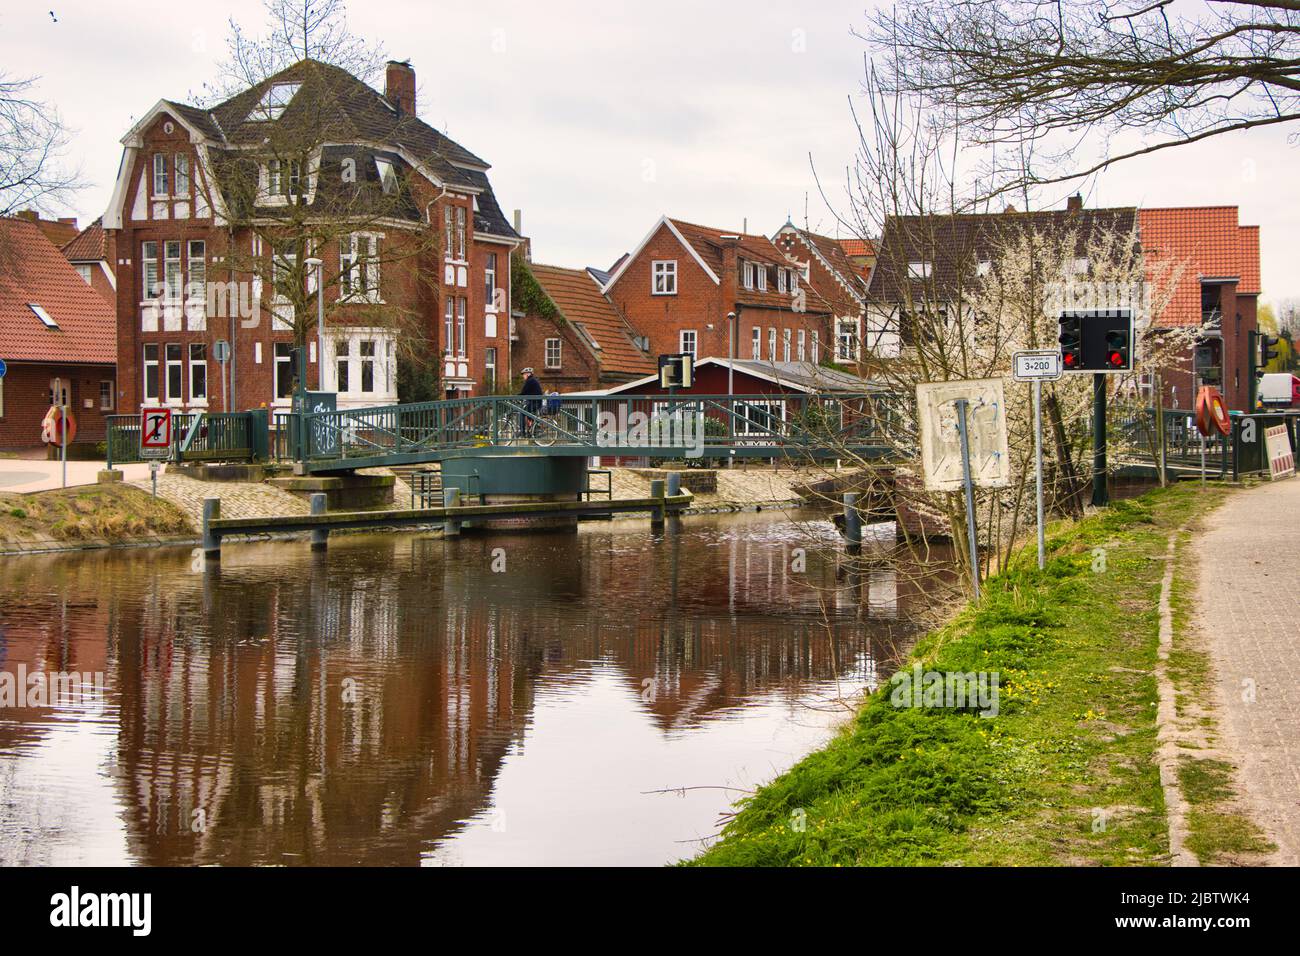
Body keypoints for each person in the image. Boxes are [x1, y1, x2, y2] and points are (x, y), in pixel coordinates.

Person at [518, 367, 543, 436]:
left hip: (534, 403)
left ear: (528, 374)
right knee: (528, 414)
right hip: (536, 403)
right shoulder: (532, 380)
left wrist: (516, 397)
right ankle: (531, 430)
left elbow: (523, 392)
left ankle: (522, 432)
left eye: (524, 374)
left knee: (522, 412)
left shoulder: (530, 381)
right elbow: (527, 392)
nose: (523, 376)